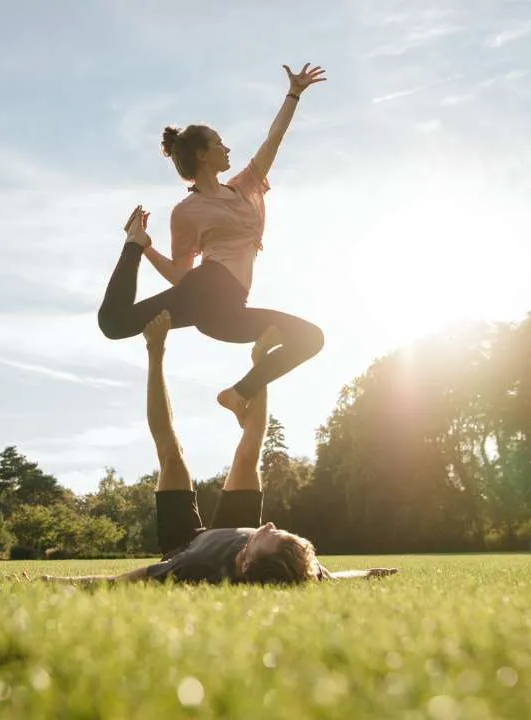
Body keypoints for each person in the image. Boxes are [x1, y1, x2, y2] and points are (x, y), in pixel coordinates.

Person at [43, 310, 397, 585]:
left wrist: (51, 580)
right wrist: (369, 573)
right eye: (282, 531)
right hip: (234, 530)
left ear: (246, 562)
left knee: (173, 457)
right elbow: (338, 576)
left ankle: (155, 351)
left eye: (270, 535)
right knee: (248, 456)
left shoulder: (194, 566)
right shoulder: (300, 563)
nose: (271, 523)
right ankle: (260, 364)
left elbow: (117, 581)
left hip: (186, 542)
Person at [97, 63, 330, 428]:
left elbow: (273, 141)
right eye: (219, 142)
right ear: (203, 155)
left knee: (310, 339)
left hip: (226, 314)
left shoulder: (244, 186)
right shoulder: (186, 212)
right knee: (114, 324)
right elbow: (180, 274)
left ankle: (238, 394)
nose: (227, 147)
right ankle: (132, 243)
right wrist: (145, 248)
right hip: (209, 286)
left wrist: (294, 94)